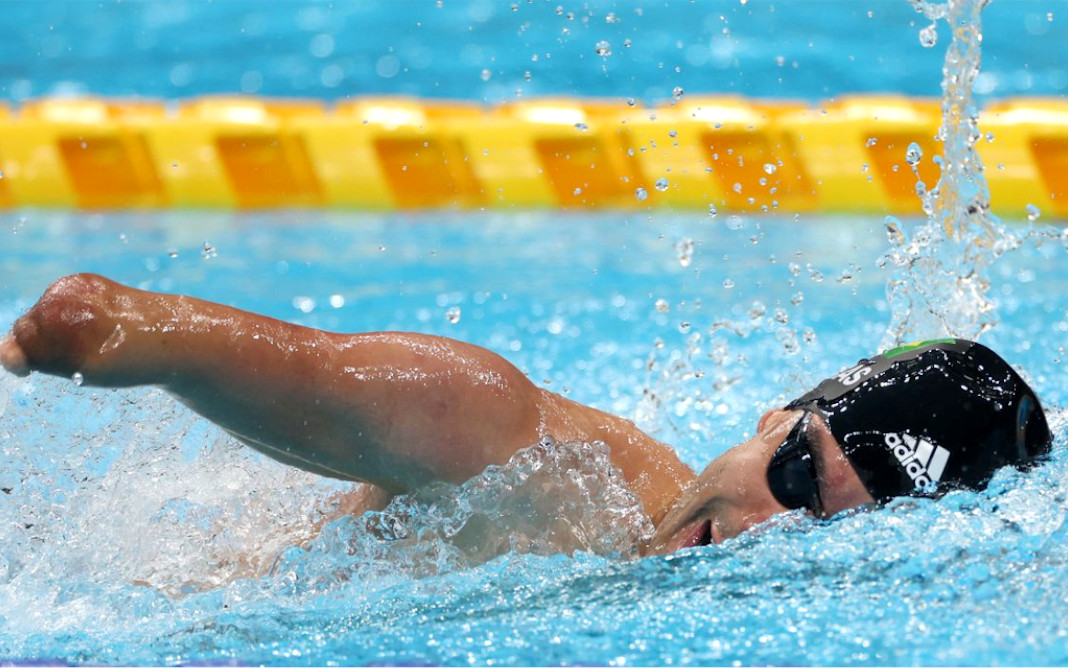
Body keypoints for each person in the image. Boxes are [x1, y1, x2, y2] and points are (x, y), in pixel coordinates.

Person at [0, 274, 1053, 555]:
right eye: (795, 478)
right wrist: (118, 328)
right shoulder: (518, 453)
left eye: (826, 536)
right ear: (778, 415)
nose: (766, 533)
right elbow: (307, 376)